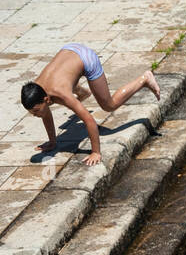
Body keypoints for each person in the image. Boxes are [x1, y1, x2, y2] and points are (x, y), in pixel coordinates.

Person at [21, 44, 160, 166]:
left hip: (86, 58)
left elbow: (89, 121)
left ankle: (144, 79)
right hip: (69, 50)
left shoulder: (61, 94)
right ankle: (82, 93)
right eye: (32, 112)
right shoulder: (36, 88)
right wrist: (52, 141)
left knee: (109, 105)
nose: (35, 115)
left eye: (36, 111)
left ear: (46, 99)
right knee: (65, 86)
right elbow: (44, 113)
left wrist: (95, 152)